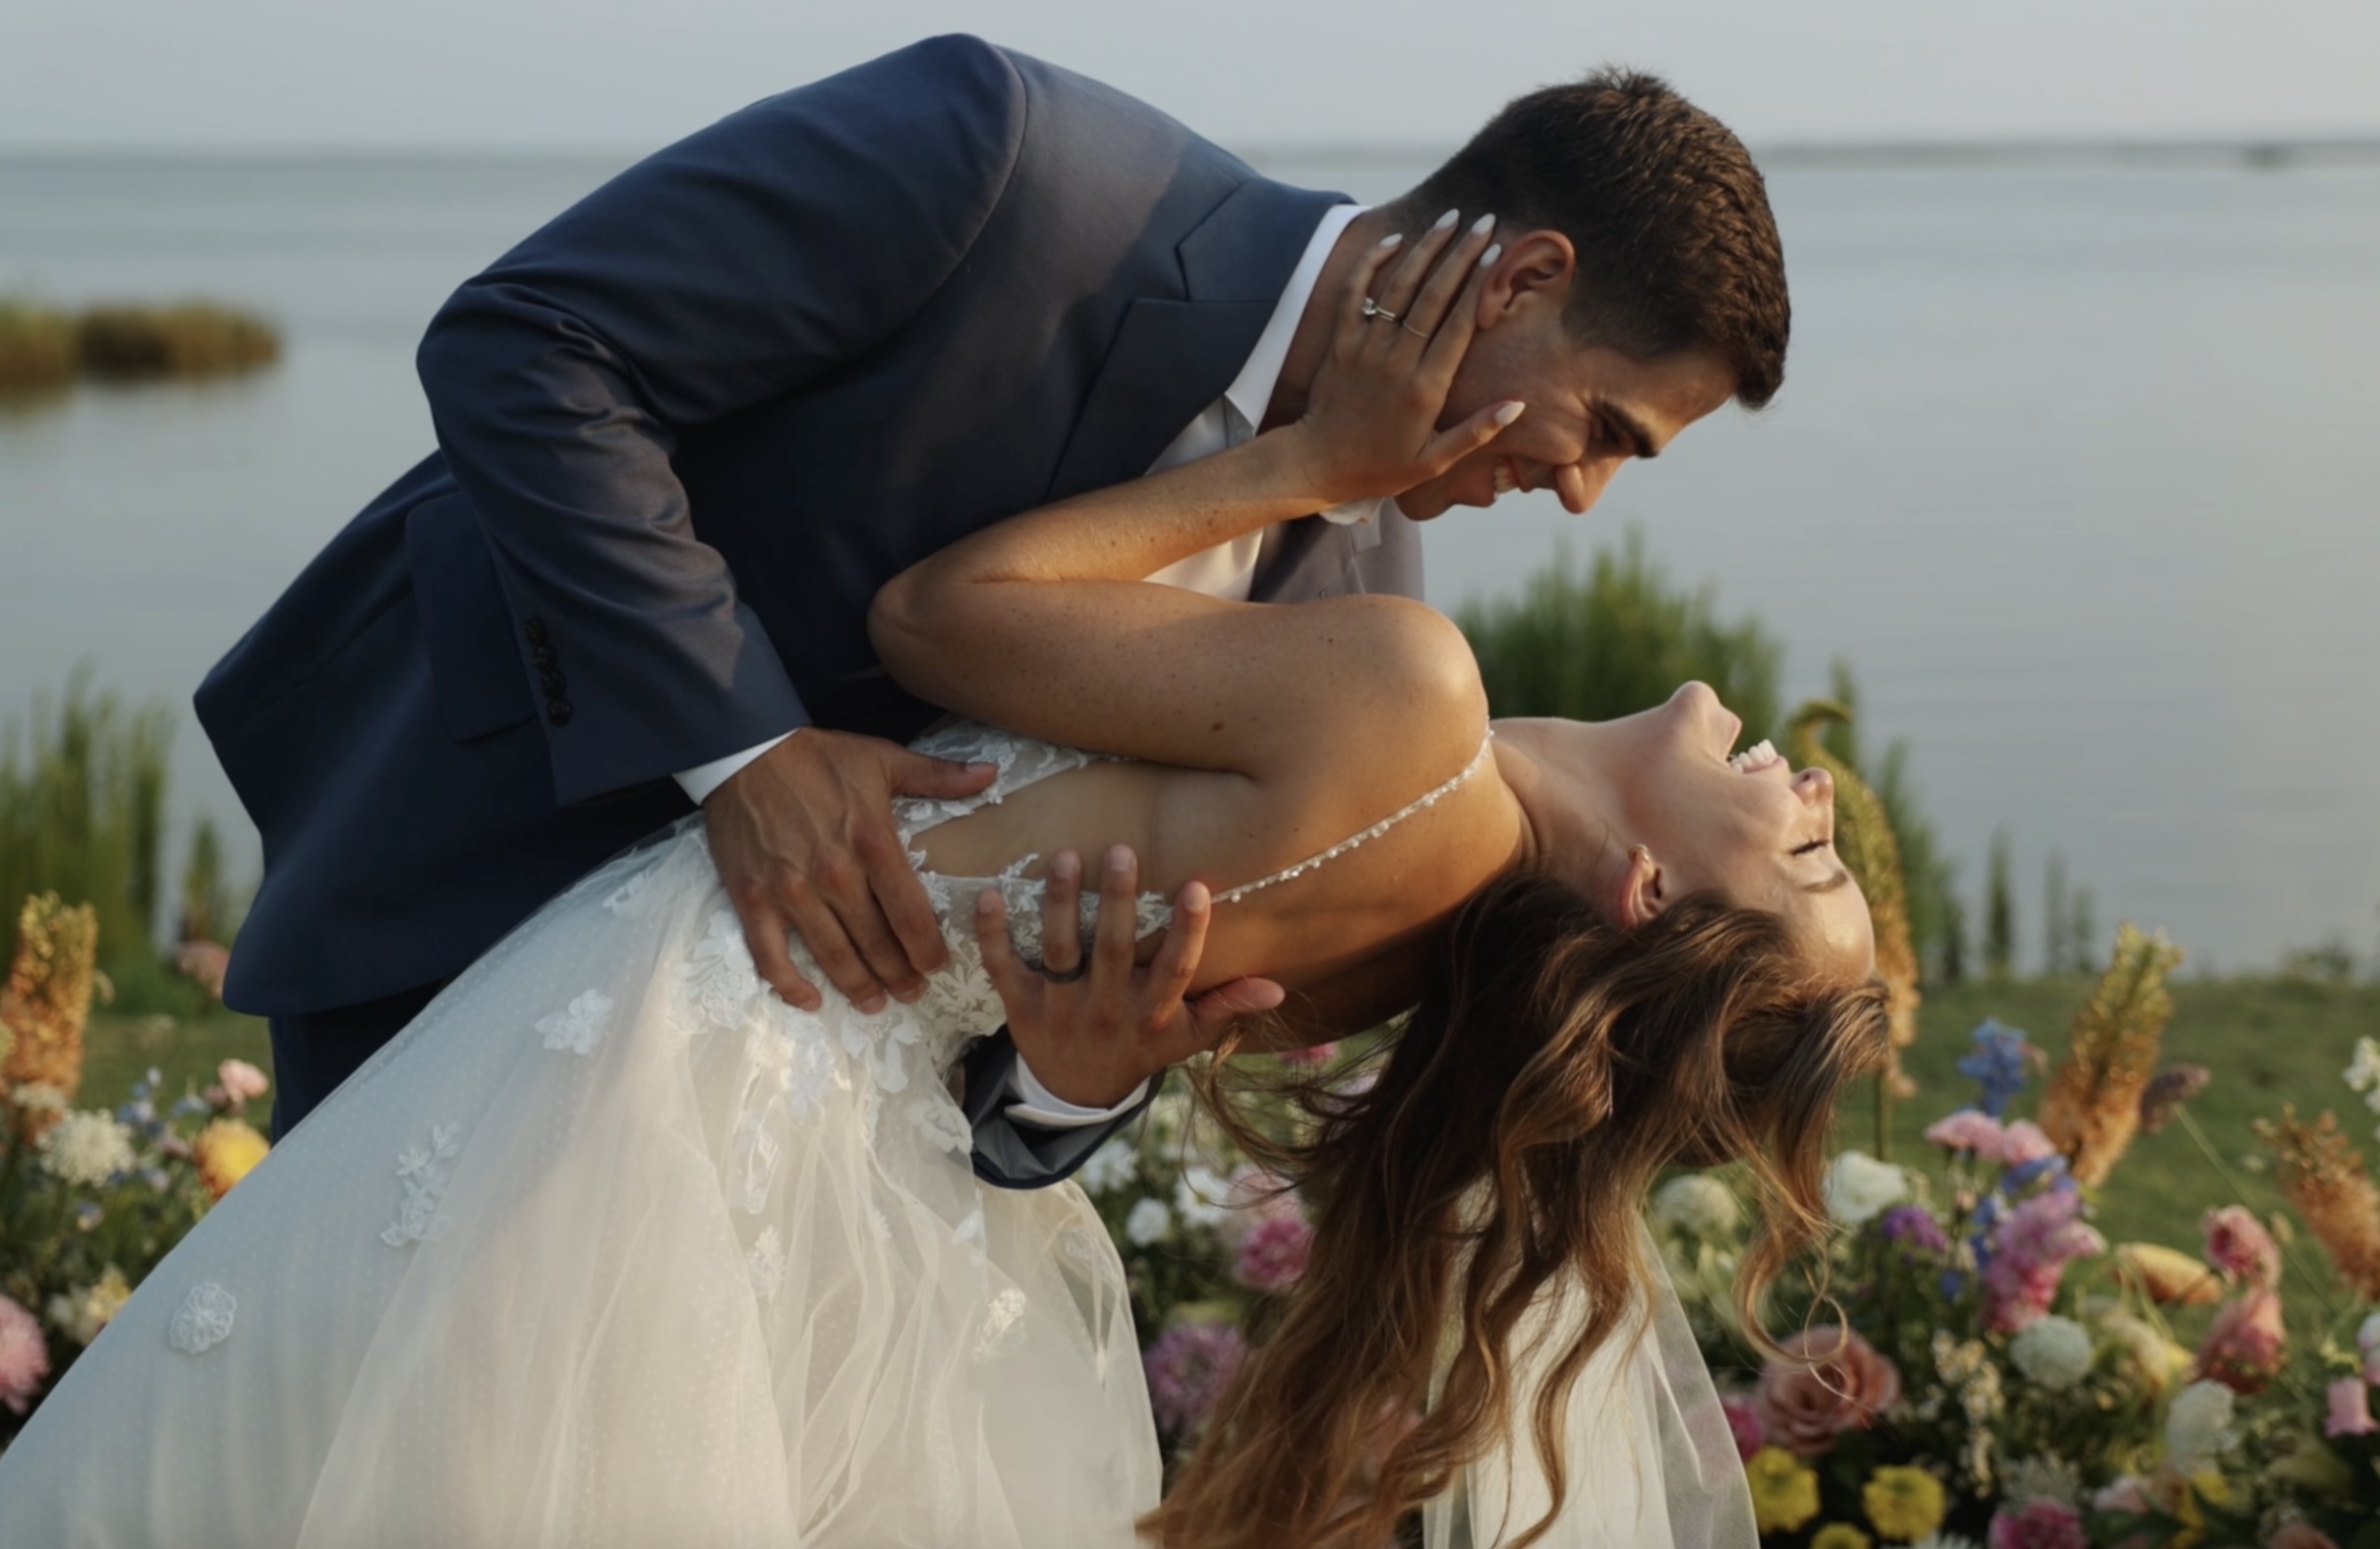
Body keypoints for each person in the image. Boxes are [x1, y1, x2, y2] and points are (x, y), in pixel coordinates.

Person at [0, 210, 1886, 1548]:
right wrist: (1068, 1083)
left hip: (690, 1045)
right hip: (857, 1182)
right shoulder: (1412, 944)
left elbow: (939, 615)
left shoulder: (1414, 696)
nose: (1810, 784)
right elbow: (1056, 1037)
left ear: (1653, 902)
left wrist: (1312, 463)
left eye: (1806, 851)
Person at [195, 33, 1800, 1204]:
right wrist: (743, 751)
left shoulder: (1359, 610)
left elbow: (1025, 1042)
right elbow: (528, 347)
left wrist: (1072, 1080)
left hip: (732, 1149)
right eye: (1606, 430)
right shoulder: (1011, 161)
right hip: (471, 858)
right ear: (1520, 280)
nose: (1580, 493)